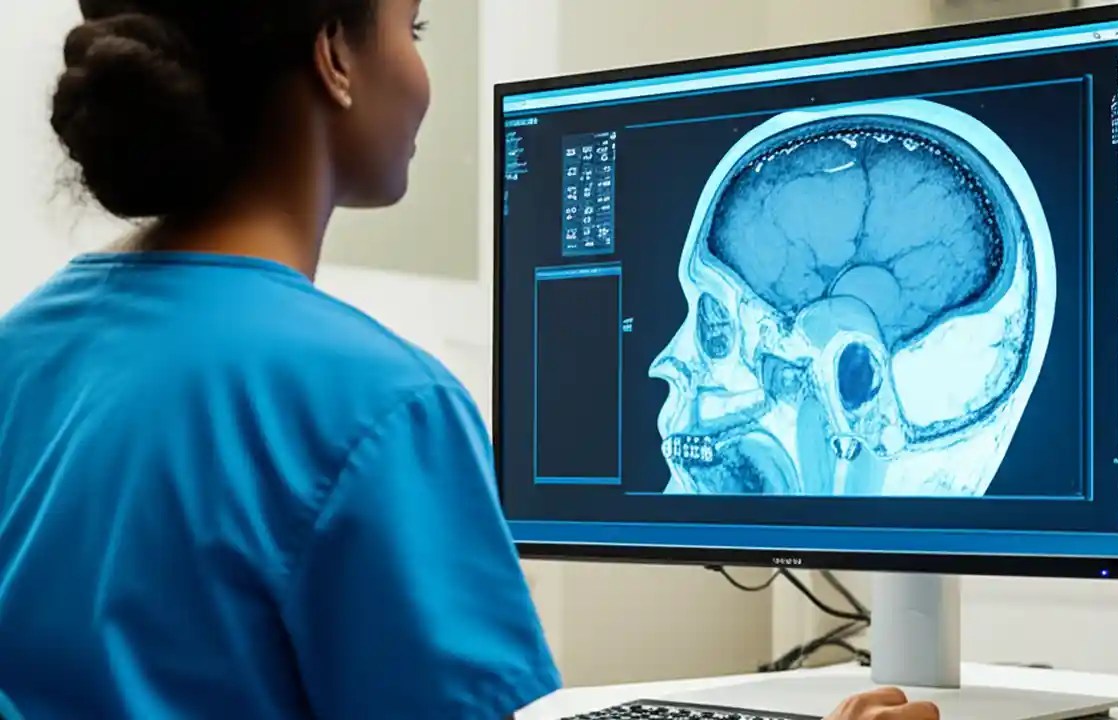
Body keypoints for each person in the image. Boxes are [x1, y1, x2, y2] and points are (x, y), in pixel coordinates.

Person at [0, 1, 941, 719]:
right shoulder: (373, 407)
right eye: (413, 28)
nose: (420, 70)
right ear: (335, 57)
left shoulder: (21, 351)